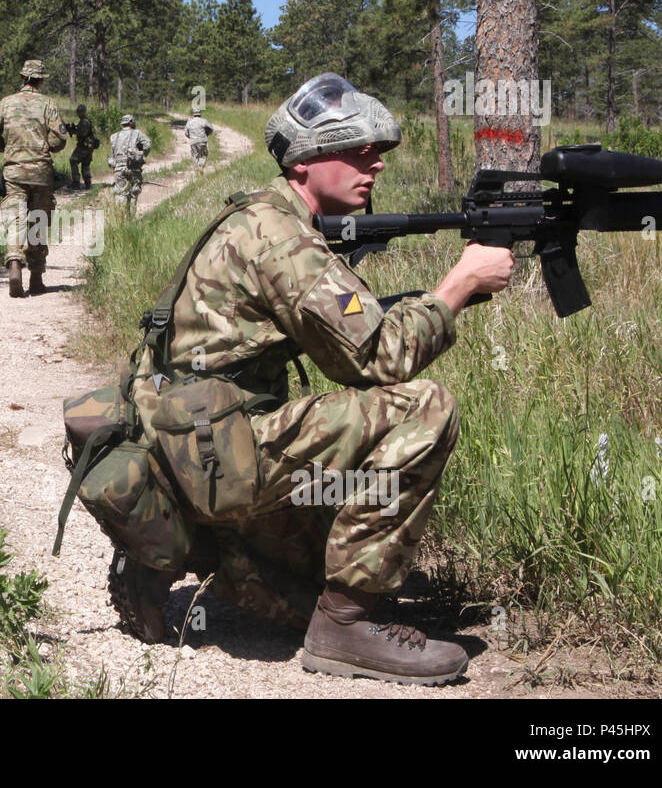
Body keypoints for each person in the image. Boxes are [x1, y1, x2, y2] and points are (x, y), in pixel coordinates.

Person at [108, 73, 514, 686]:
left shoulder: (260, 215)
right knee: (423, 407)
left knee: (292, 588)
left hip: (179, 444)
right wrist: (460, 283)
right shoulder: (284, 239)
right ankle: (343, 627)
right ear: (304, 163)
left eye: (376, 151)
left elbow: (338, 333)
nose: (373, 164)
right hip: (214, 457)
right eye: (356, 150)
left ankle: (168, 550)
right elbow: (381, 358)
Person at [0, 59, 70, 297]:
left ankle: (14, 263)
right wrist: (46, 146)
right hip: (41, 172)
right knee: (39, 221)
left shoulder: (6, 103)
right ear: (41, 79)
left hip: (14, 170)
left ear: (23, 77)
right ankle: (36, 278)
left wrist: (5, 146)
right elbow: (60, 139)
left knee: (15, 218)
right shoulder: (48, 104)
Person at [108, 115, 150, 215]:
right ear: (131, 123)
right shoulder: (137, 133)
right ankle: (130, 221)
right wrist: (142, 154)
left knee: (120, 194)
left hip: (118, 169)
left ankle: (121, 219)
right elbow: (147, 145)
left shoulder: (114, 136)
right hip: (134, 169)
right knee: (133, 193)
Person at [65, 104, 98, 188]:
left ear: (84, 112)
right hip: (88, 146)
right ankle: (87, 184)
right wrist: (74, 128)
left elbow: (83, 133)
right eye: (78, 111)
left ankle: (76, 183)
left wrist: (74, 130)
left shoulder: (84, 121)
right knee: (85, 165)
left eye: (80, 111)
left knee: (73, 160)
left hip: (84, 146)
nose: (78, 113)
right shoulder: (85, 120)